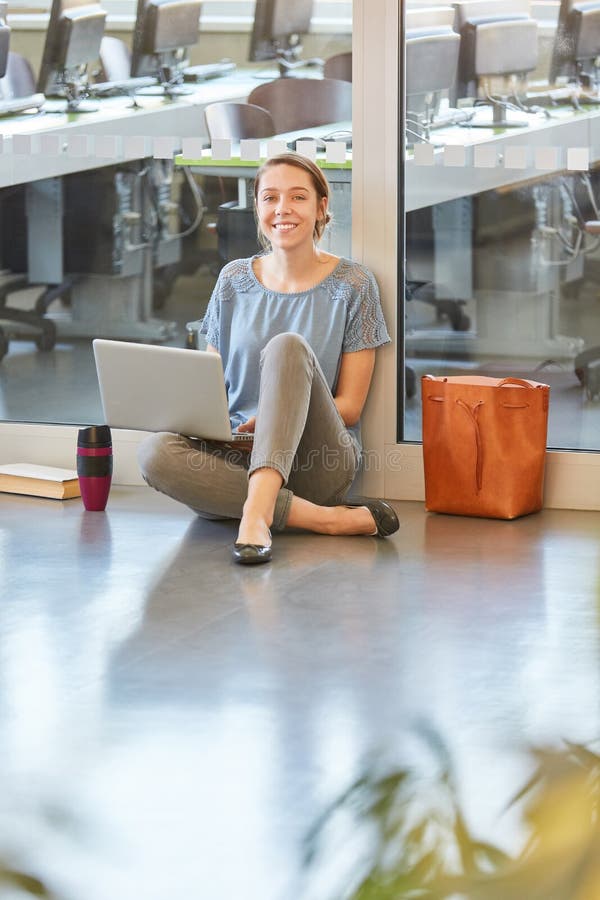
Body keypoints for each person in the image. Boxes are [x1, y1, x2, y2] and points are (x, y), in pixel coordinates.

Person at [138, 151, 399, 565]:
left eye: (297, 197)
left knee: (286, 346)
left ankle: (255, 513)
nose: (282, 209)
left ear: (321, 208)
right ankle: (320, 519)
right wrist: (214, 426)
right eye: (270, 198)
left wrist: (275, 418)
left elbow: (349, 407)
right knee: (153, 453)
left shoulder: (354, 284)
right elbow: (211, 387)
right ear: (257, 208)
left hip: (316, 462)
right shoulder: (232, 279)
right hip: (236, 456)